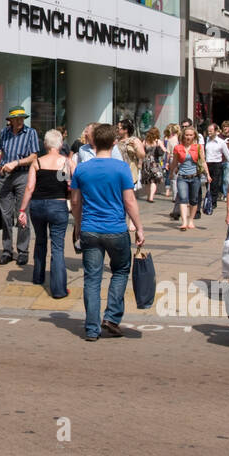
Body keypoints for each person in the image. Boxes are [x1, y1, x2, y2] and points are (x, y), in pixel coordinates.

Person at [70, 124, 145, 342]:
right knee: (120, 271)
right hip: (116, 229)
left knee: (91, 279)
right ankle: (111, 317)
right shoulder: (121, 168)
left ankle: (92, 329)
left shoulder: (82, 168)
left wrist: (78, 224)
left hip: (90, 229)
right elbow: (129, 201)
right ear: (114, 142)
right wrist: (139, 227)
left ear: (92, 141)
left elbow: (75, 201)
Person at [18, 129, 72, 299]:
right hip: (58, 205)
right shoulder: (66, 162)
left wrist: (22, 210)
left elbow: (29, 188)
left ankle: (38, 276)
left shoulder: (37, 162)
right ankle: (58, 289)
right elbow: (71, 185)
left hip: (37, 206)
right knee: (57, 246)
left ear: (45, 144)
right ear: (61, 144)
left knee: (40, 241)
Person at [0, 106, 39, 266]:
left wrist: (17, 162)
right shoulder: (4, 133)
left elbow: (34, 156)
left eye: (22, 118)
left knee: (22, 214)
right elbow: (1, 153)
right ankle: (7, 250)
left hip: (22, 175)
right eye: (17, 119)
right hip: (5, 176)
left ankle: (23, 250)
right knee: (5, 215)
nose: (20, 121)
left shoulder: (30, 133)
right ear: (10, 120)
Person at [171, 125, 209, 230]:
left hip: (195, 177)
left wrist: (208, 174)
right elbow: (174, 162)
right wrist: (171, 173)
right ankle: (184, 222)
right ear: (183, 135)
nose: (188, 137)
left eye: (191, 135)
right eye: (187, 135)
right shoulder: (178, 148)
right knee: (183, 198)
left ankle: (191, 220)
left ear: (194, 136)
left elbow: (203, 161)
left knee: (194, 200)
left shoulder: (198, 147)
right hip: (182, 177)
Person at [204, 123, 229, 208]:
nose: (209, 133)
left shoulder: (221, 142)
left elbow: (227, 154)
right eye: (208, 131)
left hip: (216, 164)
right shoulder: (206, 140)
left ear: (216, 131)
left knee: (215, 183)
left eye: (211, 131)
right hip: (207, 164)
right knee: (207, 182)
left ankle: (213, 202)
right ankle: (210, 198)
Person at [141, 127, 166, 203]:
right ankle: (151, 197)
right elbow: (164, 150)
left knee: (147, 181)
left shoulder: (145, 142)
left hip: (146, 162)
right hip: (154, 162)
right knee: (154, 181)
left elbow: (141, 152)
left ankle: (148, 196)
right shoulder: (158, 141)